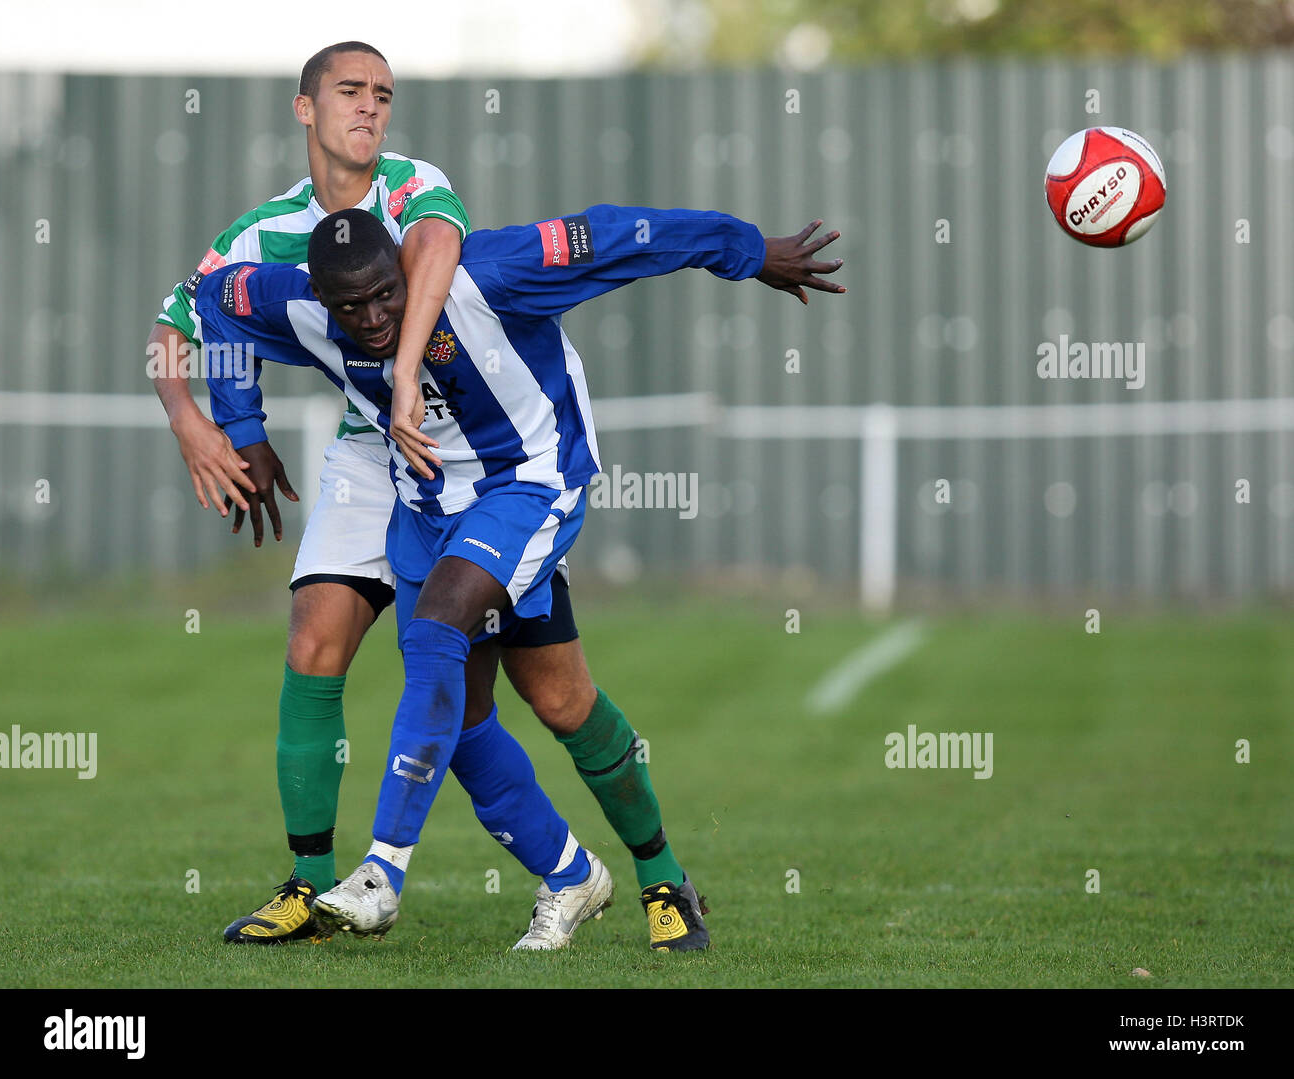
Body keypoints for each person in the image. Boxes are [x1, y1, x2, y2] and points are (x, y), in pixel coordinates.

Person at [151, 40, 707, 951]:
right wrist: (201, 421)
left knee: (560, 698)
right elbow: (188, 318)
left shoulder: (414, 189)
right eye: (349, 92)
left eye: (383, 94)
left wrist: (405, 369)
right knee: (314, 640)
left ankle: (655, 873)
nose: (370, 108)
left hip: (477, 459)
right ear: (305, 109)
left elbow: (444, 246)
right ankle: (315, 884)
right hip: (372, 460)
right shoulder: (260, 235)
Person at [193, 203, 845, 942]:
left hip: (529, 486)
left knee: (440, 637)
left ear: (408, 269)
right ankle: (572, 875)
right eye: (351, 306)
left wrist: (750, 249)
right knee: (511, 713)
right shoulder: (296, 302)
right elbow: (213, 303)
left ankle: (394, 870)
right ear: (322, 297)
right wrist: (242, 429)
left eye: (386, 294)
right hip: (428, 511)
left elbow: (632, 235)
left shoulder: (494, 273)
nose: (372, 317)